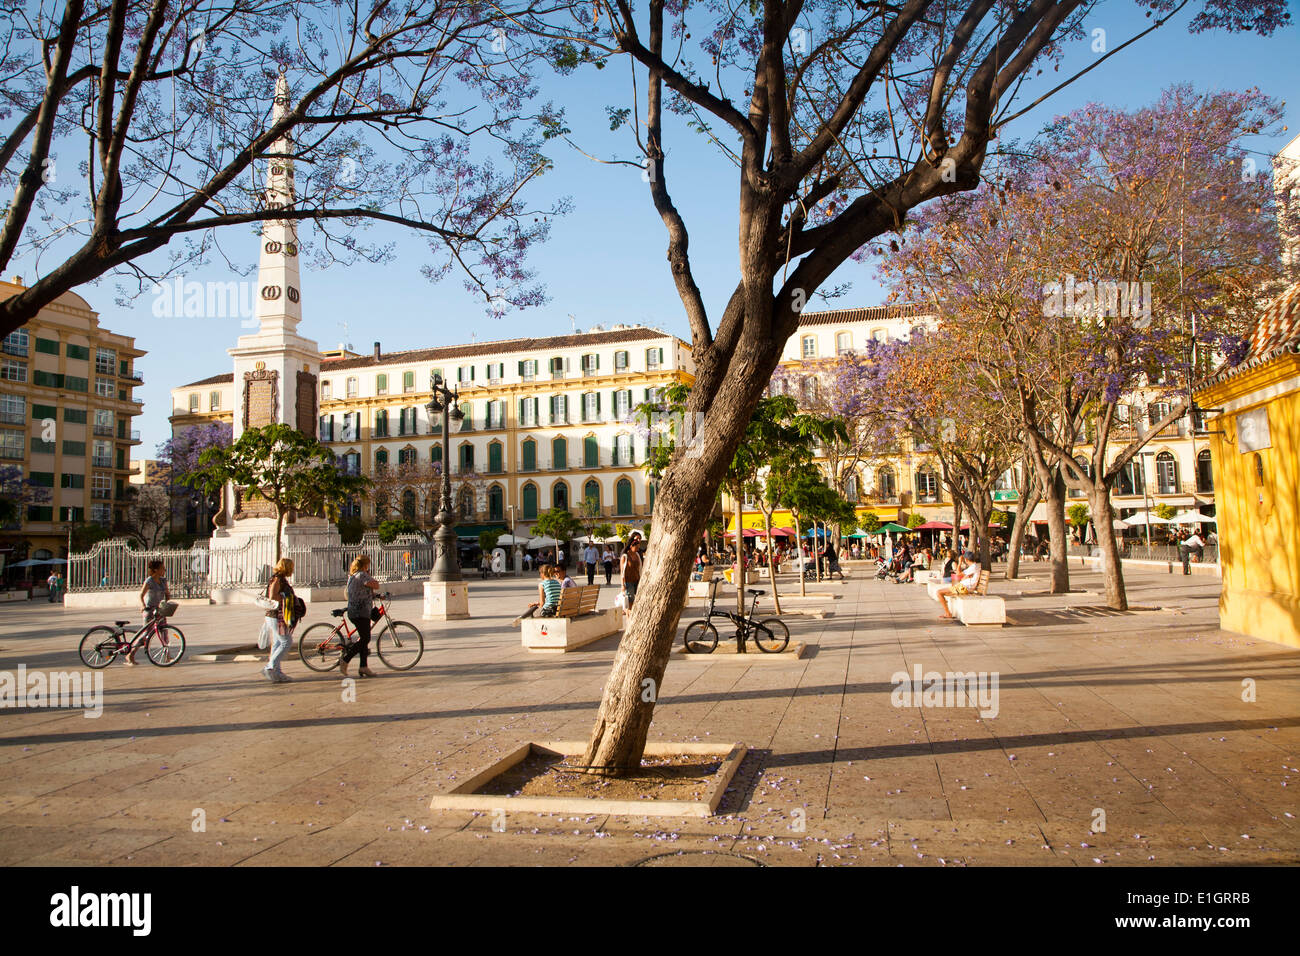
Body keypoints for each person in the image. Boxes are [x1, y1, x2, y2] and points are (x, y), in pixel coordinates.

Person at [340, 555, 380, 678]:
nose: (369, 566)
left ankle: (363, 666)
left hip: (357, 611)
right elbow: (375, 584)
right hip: (360, 612)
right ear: (364, 565)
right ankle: (345, 660)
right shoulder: (362, 575)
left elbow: (363, 592)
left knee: (364, 639)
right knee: (365, 639)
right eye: (367, 564)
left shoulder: (353, 576)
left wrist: (377, 596)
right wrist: (368, 575)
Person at [261, 558, 300, 683]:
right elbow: (272, 596)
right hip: (275, 615)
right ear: (286, 567)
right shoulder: (277, 579)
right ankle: (270, 666)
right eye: (291, 567)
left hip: (276, 615)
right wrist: (285, 596)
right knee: (286, 642)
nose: (292, 570)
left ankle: (277, 672)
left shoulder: (279, 578)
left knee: (278, 643)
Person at [132, 559, 170, 665]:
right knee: (146, 635)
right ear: (156, 570)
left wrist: (167, 601)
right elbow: (141, 595)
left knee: (164, 632)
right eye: (162, 568)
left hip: (160, 611)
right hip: (149, 611)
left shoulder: (163, 581)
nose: (164, 570)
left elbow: (167, 593)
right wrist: (143, 606)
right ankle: (130, 654)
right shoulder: (149, 581)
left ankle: (167, 655)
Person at [935, 552, 982, 620]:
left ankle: (948, 613)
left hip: (964, 588)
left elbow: (958, 574)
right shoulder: (974, 566)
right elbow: (962, 575)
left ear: (966, 559)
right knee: (942, 593)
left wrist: (959, 562)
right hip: (963, 587)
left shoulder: (973, 567)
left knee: (939, 592)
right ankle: (948, 612)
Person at [621, 532, 643, 609]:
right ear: (631, 546)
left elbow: (640, 567)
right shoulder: (625, 556)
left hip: (637, 580)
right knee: (630, 599)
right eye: (636, 548)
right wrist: (622, 585)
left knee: (639, 598)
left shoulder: (637, 555)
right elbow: (622, 572)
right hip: (628, 581)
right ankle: (629, 613)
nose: (637, 549)